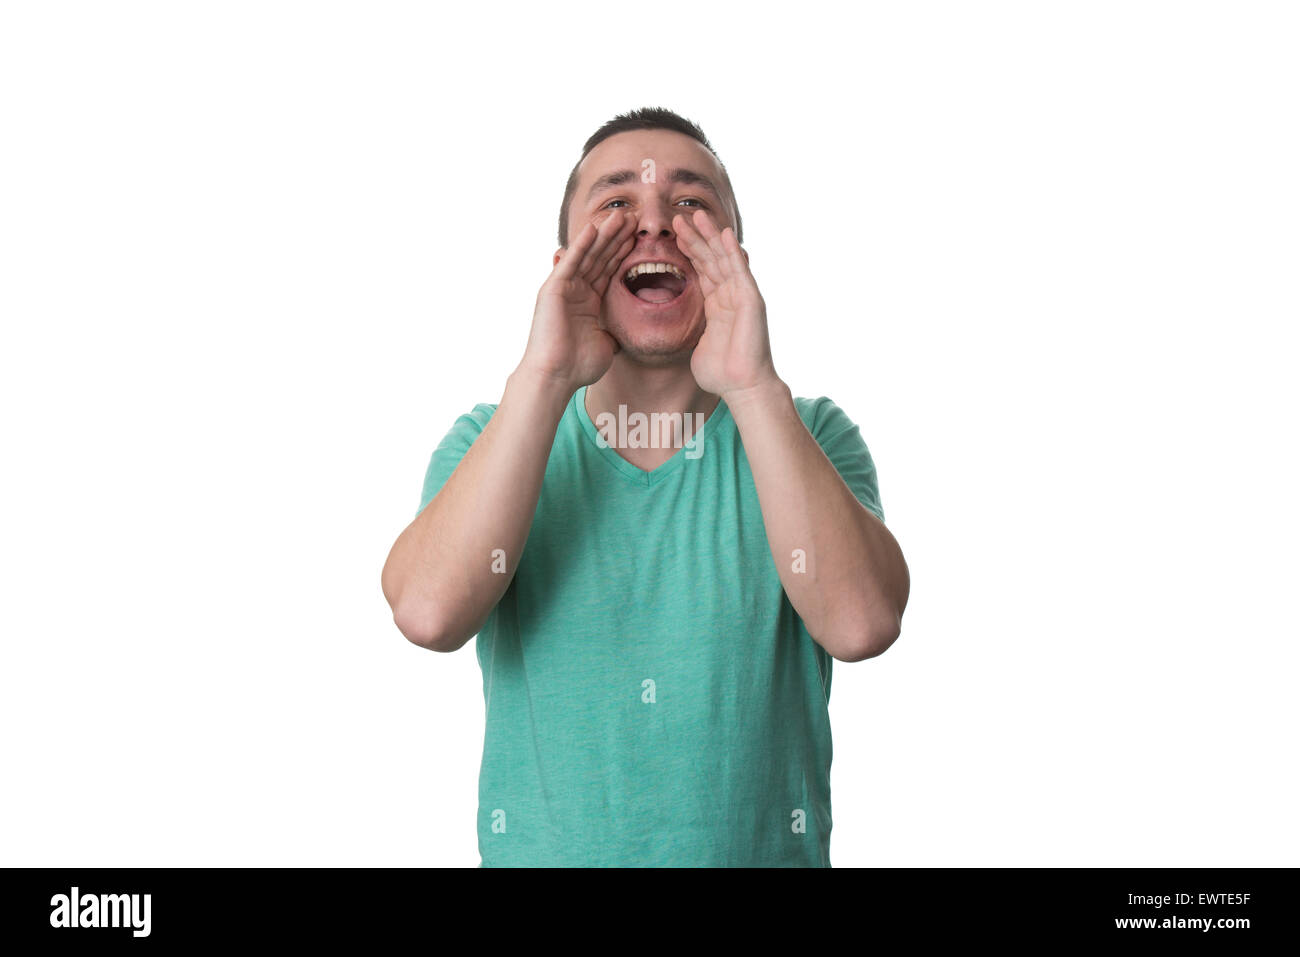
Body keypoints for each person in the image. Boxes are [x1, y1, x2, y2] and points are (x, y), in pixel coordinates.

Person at [381, 107, 910, 867]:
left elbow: (863, 625)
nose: (655, 225)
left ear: (736, 257)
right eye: (616, 203)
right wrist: (545, 373)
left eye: (690, 204)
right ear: (566, 261)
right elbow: (427, 613)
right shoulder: (488, 441)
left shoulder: (812, 434)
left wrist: (752, 384)